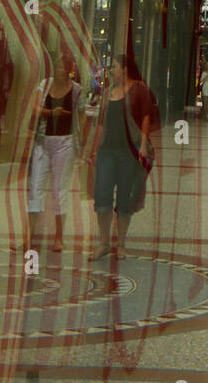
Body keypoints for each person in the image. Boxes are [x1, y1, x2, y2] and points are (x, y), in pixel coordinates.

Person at [90, 53, 157, 259]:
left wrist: (144, 144)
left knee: (125, 197)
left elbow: (146, 116)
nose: (112, 71)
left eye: (115, 67)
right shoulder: (108, 93)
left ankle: (121, 243)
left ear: (125, 70)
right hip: (107, 151)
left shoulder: (139, 89)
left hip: (129, 151)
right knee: (102, 196)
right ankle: (103, 243)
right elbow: (101, 122)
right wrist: (94, 149)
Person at [28, 49, 82, 254]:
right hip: (43, 141)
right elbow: (35, 109)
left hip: (65, 143)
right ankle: (29, 235)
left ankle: (59, 237)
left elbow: (81, 116)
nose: (62, 70)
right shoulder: (44, 85)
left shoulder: (76, 90)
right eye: (59, 66)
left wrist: (83, 145)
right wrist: (52, 113)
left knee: (60, 191)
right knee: (35, 187)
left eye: (65, 67)